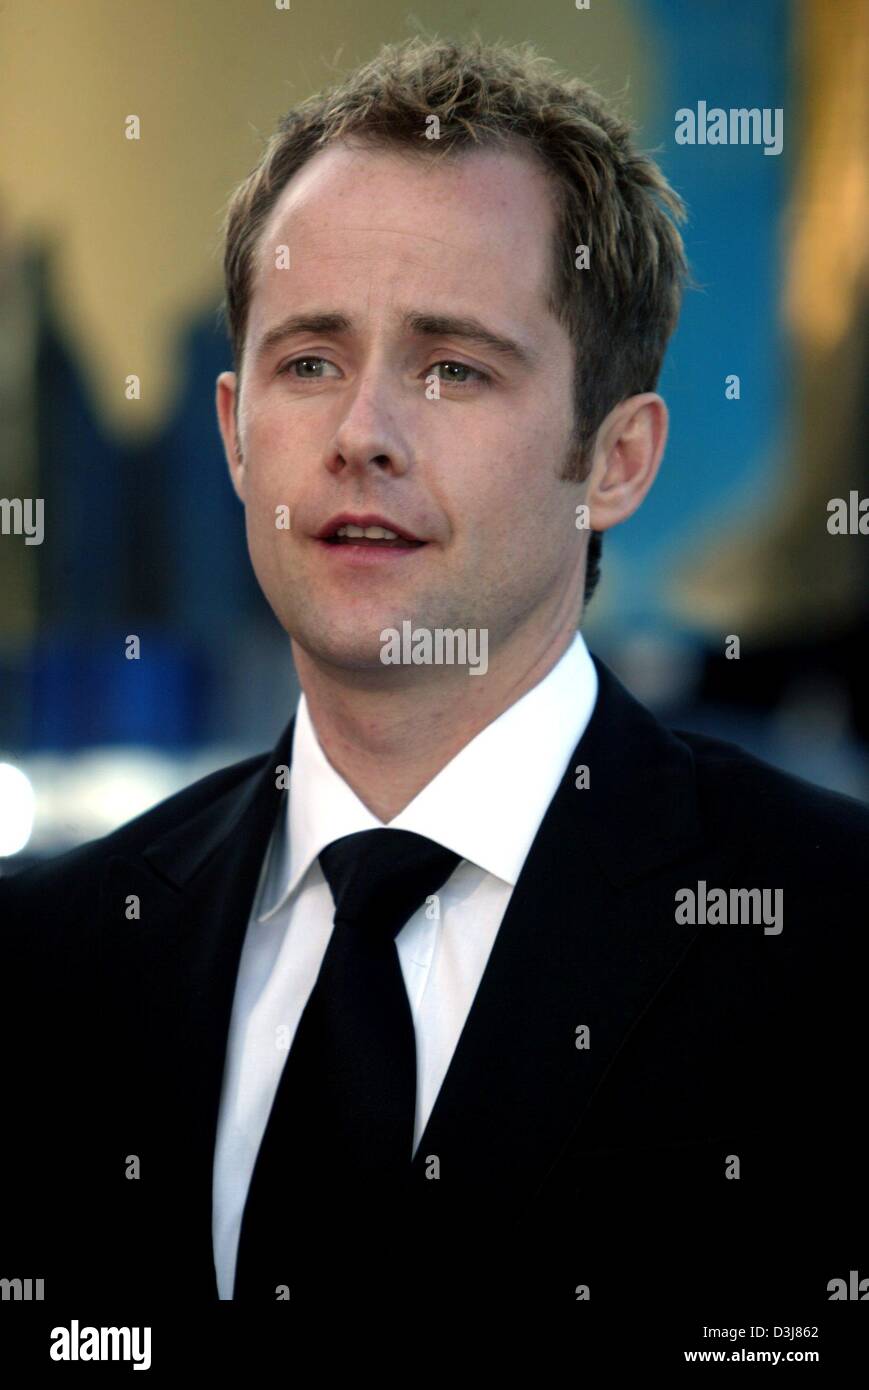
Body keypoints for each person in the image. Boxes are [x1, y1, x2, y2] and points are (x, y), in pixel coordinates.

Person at [2, 35, 866, 1323]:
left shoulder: (835, 940)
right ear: (236, 435)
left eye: (454, 367)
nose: (361, 436)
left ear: (618, 460)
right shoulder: (39, 962)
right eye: (310, 362)